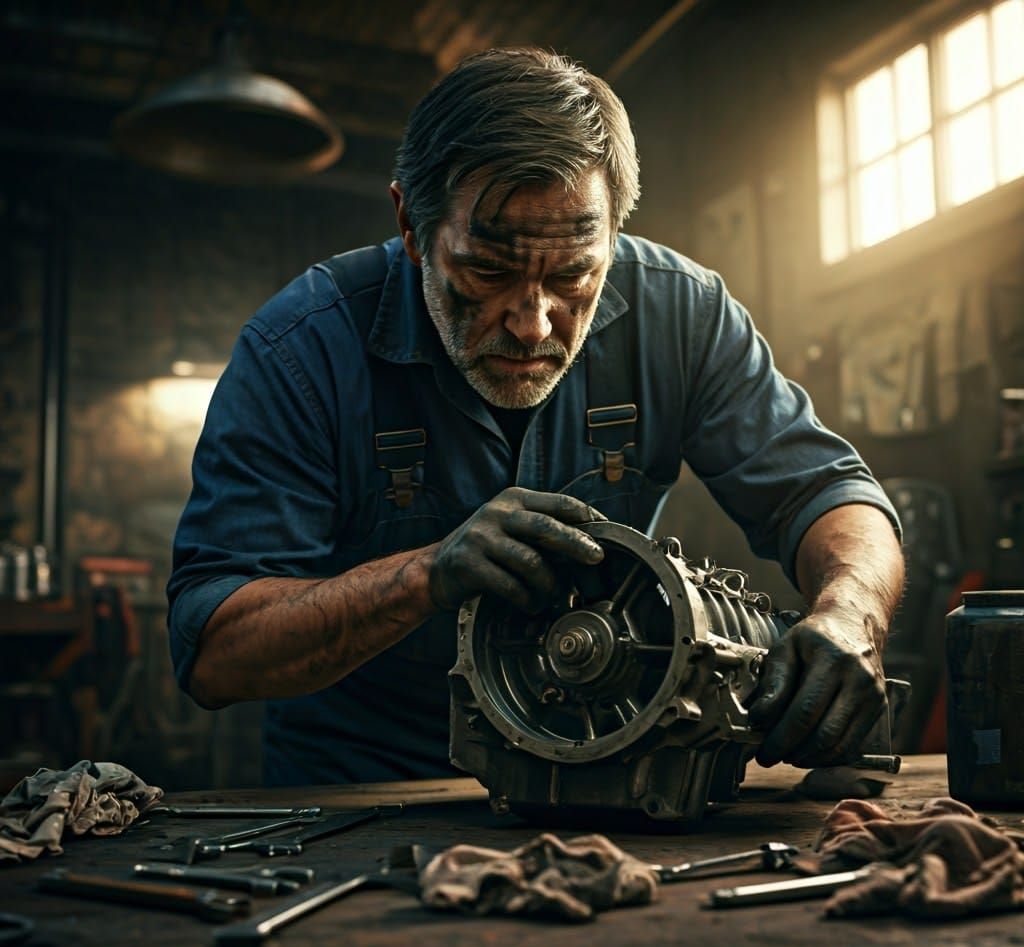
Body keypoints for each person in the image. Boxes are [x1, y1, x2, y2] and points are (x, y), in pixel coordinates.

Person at [168, 47, 904, 786]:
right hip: (366, 785)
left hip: (606, 767)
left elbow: (828, 493)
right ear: (411, 226)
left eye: (573, 274)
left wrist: (850, 613)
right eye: (486, 272)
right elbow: (214, 651)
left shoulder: (683, 313)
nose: (532, 323)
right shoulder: (301, 349)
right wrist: (424, 576)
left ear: (614, 233)